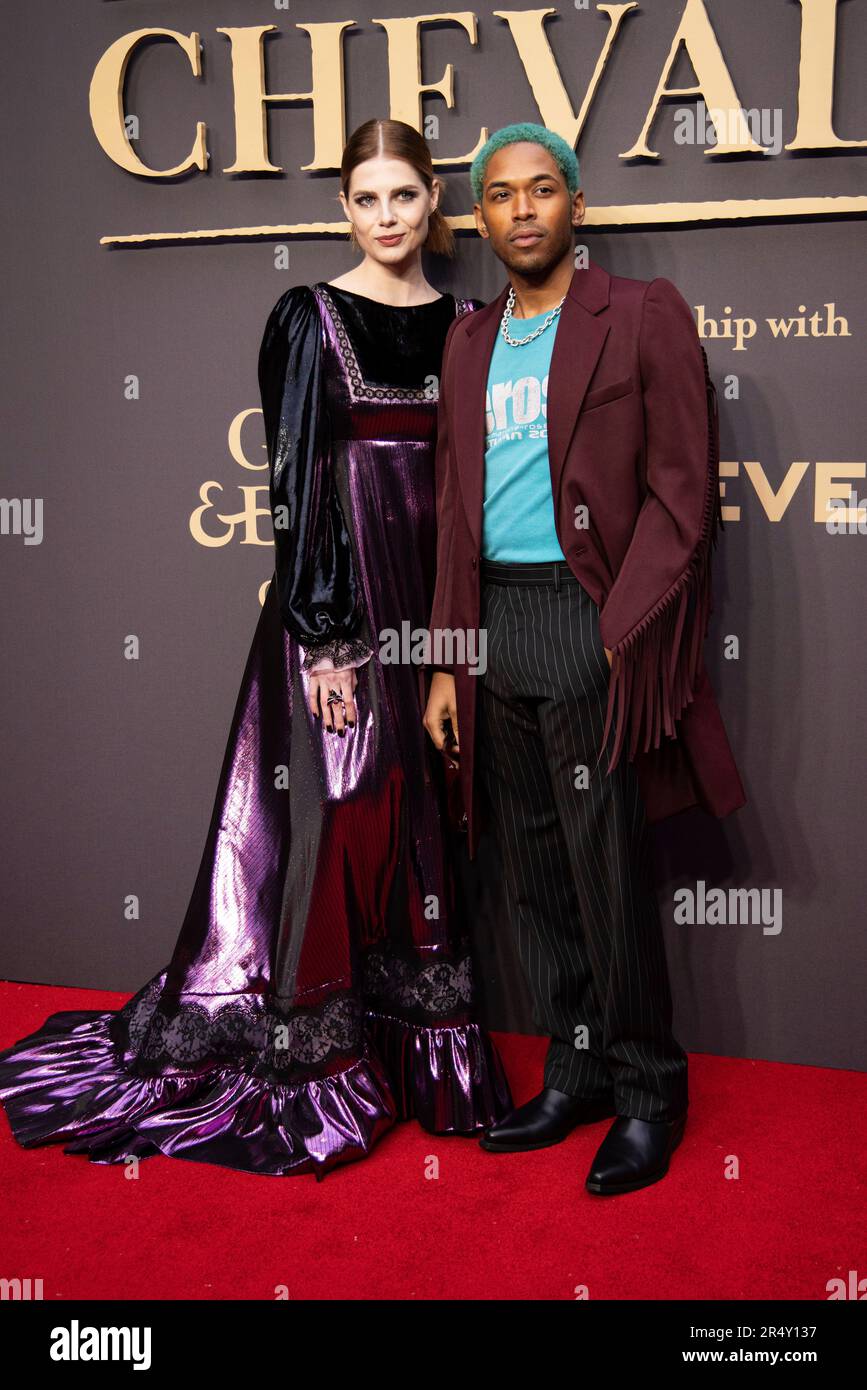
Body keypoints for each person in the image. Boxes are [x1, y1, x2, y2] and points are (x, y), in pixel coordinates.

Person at [0, 118, 512, 1180]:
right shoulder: (308, 317)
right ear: (343, 208)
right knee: (344, 811)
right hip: (346, 599)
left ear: (434, 203)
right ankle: (312, 1047)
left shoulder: (471, 321)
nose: (387, 219)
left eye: (405, 198)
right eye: (366, 200)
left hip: (439, 594)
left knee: (428, 815)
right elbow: (293, 486)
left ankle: (416, 1051)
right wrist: (324, 640)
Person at [423, 122, 746, 1195]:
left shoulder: (641, 313)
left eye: (542, 190)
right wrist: (443, 661)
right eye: (500, 195)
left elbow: (682, 494)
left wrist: (618, 633)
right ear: (480, 217)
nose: (521, 209)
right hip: (495, 629)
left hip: (586, 617)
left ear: (575, 204)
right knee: (534, 875)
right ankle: (577, 1069)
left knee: (607, 869)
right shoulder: (468, 342)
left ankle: (650, 1087)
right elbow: (456, 517)